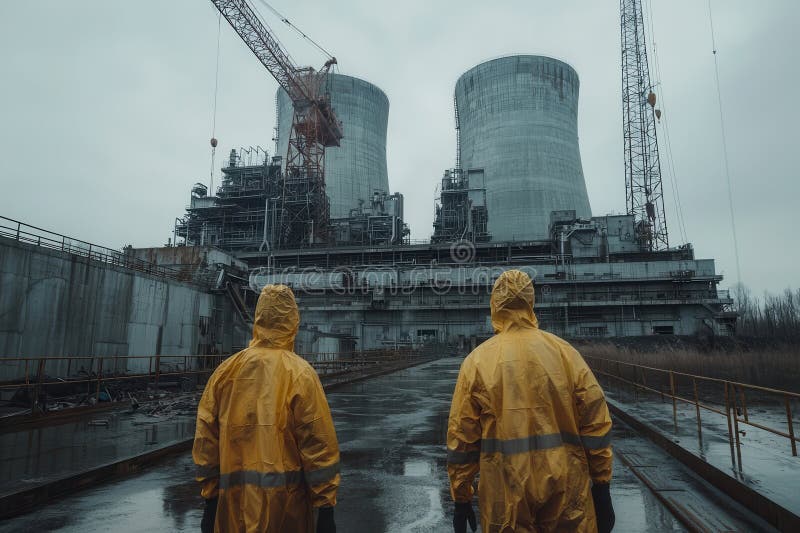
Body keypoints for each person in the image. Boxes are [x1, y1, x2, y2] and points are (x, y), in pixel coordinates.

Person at [447, 270, 615, 533]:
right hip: (565, 485)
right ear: (530, 301)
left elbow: (462, 439)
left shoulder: (476, 362)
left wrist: (461, 498)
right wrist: (602, 485)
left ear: (495, 304)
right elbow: (596, 422)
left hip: (505, 490)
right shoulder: (565, 354)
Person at [193, 284, 340, 533]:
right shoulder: (301, 374)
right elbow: (318, 445)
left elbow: (206, 440)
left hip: (231, 511)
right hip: (285, 513)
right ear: (292, 320)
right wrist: (325, 508)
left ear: (259, 317)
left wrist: (210, 498)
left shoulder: (225, 371)